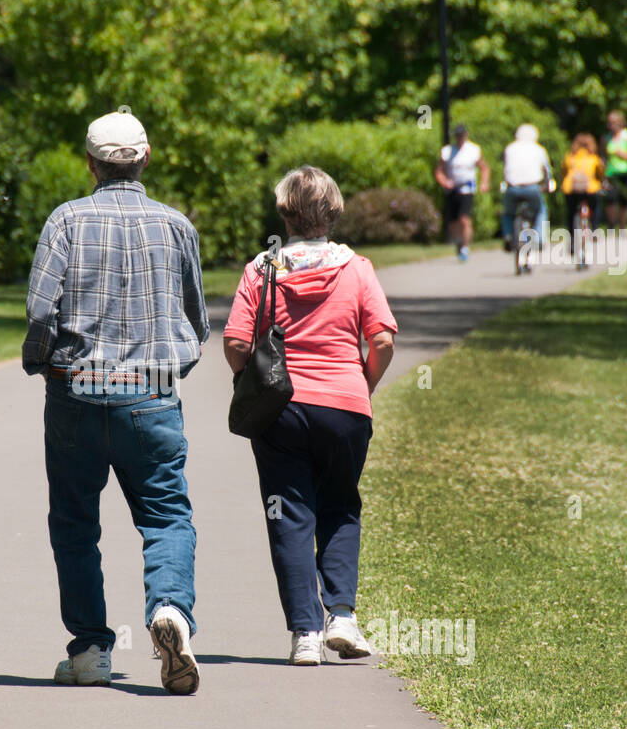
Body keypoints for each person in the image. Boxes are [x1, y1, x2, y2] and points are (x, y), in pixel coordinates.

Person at [23, 111, 208, 695]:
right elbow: (196, 320)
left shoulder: (66, 221)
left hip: (75, 393)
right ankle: (171, 611)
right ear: (145, 158)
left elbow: (38, 312)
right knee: (166, 516)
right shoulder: (176, 226)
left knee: (76, 525)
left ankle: (91, 652)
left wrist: (39, 359)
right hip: (151, 396)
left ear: (90, 163)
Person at [223, 166, 398, 665]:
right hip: (345, 405)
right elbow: (382, 339)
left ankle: (305, 633)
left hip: (282, 409)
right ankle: (341, 615)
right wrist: (362, 385)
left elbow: (236, 341)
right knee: (340, 505)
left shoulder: (262, 269)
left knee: (289, 514)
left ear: (285, 212)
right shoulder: (357, 268)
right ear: (334, 213)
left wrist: (250, 382)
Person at [435, 123, 490, 262]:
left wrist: (484, 183)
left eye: (462, 135)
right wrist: (444, 182)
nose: (460, 138)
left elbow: (484, 168)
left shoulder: (473, 150)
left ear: (466, 135)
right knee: (453, 223)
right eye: (457, 135)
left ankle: (465, 247)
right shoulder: (447, 151)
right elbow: (439, 171)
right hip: (452, 188)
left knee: (464, 219)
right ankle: (459, 242)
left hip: (467, 188)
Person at [500, 124, 553, 251]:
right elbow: (547, 171)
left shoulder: (509, 148)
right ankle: (540, 238)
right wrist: (547, 184)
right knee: (540, 209)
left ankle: (508, 236)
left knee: (508, 213)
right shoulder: (539, 149)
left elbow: (505, 169)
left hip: (512, 187)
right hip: (532, 188)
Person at [561, 133, 605, 256]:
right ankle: (594, 229)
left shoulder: (570, 157)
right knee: (596, 207)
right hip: (590, 189)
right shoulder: (594, 158)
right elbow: (600, 173)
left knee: (571, 213)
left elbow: (563, 171)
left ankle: (572, 238)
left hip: (572, 189)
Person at [602, 110, 627, 229]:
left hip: (626, 173)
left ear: (620, 122)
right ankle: (612, 224)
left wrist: (623, 155)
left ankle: (623, 226)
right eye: (609, 123)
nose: (610, 125)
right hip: (610, 173)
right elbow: (602, 156)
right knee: (610, 199)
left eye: (613, 122)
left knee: (625, 201)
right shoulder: (606, 138)